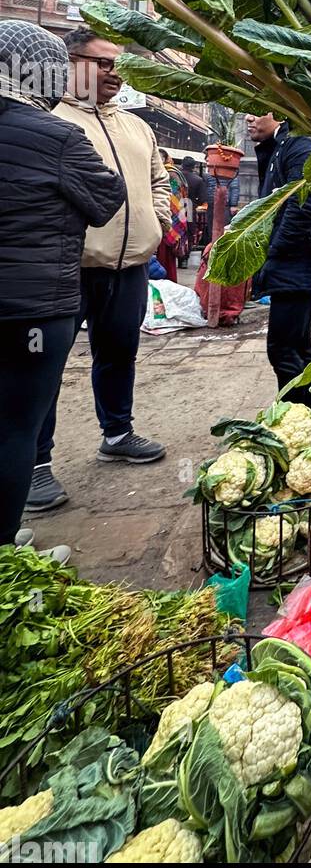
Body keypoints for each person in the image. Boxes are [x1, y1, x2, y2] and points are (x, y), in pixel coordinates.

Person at [28, 30, 170, 512]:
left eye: (117, 64)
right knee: (44, 366)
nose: (114, 73)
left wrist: (159, 223)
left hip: (130, 265)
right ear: (68, 62)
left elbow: (158, 182)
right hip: (69, 267)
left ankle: (117, 433)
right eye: (103, 63)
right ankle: (34, 465)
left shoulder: (137, 127)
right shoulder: (47, 118)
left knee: (118, 353)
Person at [0, 21, 125, 548]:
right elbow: (105, 199)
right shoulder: (55, 133)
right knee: (14, 429)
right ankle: (6, 551)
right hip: (33, 306)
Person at [246, 112, 311, 406]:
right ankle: (302, 418)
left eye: (256, 112)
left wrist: (274, 251)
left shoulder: (299, 145)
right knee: (297, 346)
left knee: (283, 349)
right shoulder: (281, 146)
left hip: (296, 264)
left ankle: (294, 418)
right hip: (293, 265)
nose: (248, 118)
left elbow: (304, 206)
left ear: (278, 114)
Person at [155, 150, 189, 282]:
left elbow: (175, 197)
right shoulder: (162, 172)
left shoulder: (171, 174)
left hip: (169, 217)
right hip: (161, 215)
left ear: (164, 159)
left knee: (166, 255)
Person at [180, 157, 209, 246]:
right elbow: (202, 199)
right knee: (188, 232)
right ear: (194, 167)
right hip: (189, 208)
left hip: (175, 206)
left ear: (182, 165)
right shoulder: (198, 180)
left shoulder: (175, 177)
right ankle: (185, 253)